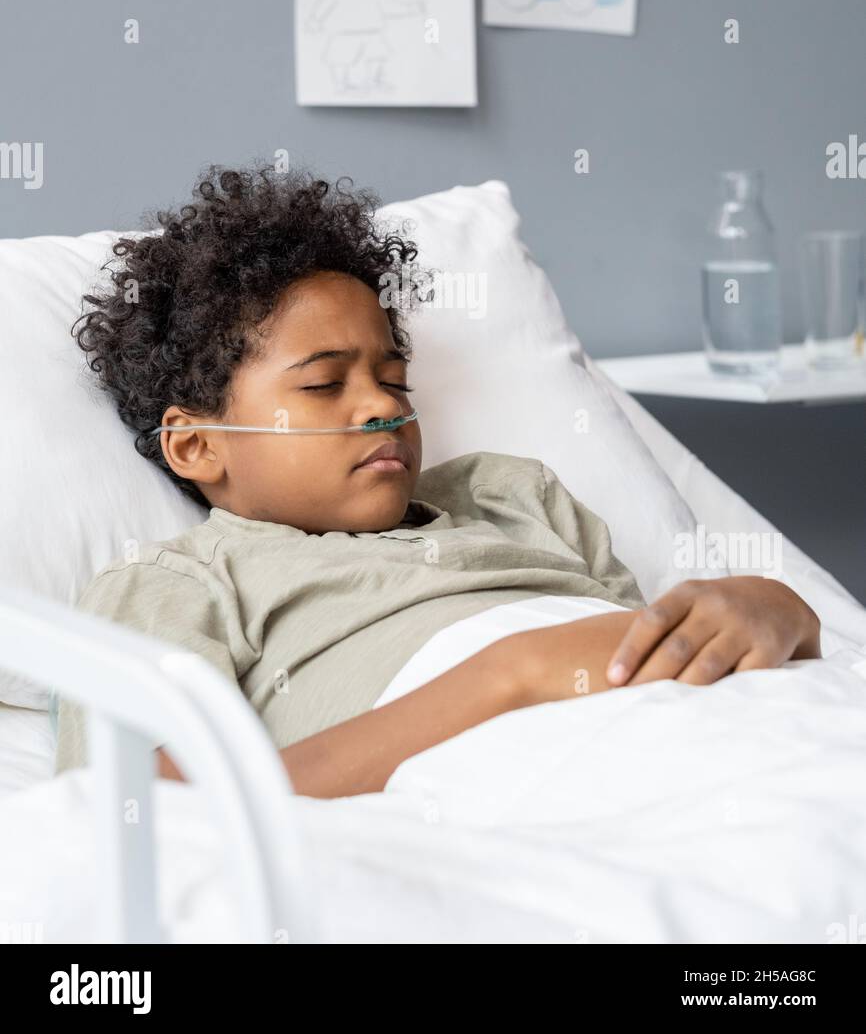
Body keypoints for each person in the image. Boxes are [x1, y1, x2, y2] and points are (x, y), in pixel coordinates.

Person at [53, 165, 821, 798]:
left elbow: (654, 659)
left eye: (395, 379)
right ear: (195, 444)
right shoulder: (184, 582)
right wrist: (501, 679)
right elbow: (132, 812)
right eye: (324, 386)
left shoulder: (510, 496)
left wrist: (779, 611)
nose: (383, 405)